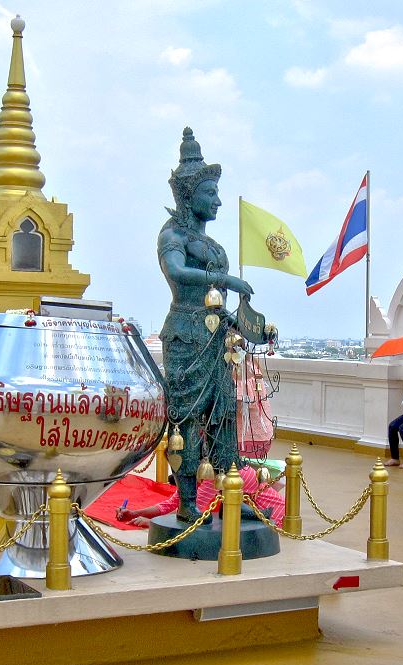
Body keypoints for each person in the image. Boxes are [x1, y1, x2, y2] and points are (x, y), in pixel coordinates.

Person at [157, 127, 253, 522]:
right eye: (209, 193)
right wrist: (224, 281)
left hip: (216, 338)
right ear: (187, 195)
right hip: (185, 334)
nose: (217, 201)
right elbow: (176, 271)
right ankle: (187, 503)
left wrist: (238, 321)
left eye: (216, 192)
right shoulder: (171, 235)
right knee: (188, 419)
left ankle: (232, 496)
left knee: (223, 415)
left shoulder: (213, 245)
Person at [116, 463, 285, 528]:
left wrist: (152, 523)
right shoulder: (200, 472)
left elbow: (189, 514)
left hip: (274, 519)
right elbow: (172, 503)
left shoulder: (214, 474)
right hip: (254, 516)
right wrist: (135, 513)